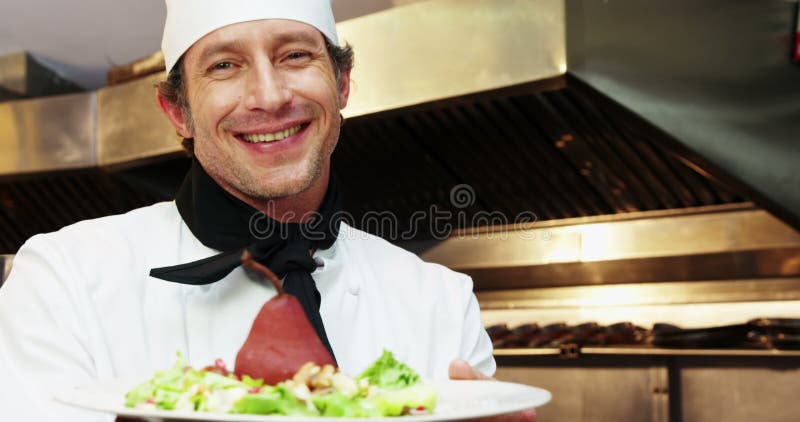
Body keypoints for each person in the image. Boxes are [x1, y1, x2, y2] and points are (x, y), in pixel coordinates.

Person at [0, 0, 534, 420]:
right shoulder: (62, 281)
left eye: (295, 55)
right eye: (225, 65)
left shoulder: (441, 302)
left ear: (343, 83)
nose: (270, 95)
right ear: (178, 111)